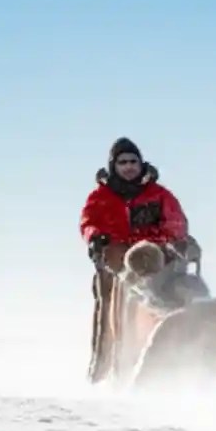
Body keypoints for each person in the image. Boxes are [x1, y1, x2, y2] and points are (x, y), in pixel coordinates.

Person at [80, 137, 190, 383]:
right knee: (107, 305)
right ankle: (102, 367)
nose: (129, 167)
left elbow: (176, 223)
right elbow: (89, 223)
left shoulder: (159, 195)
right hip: (114, 262)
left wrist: (163, 240)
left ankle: (167, 358)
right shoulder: (100, 197)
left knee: (167, 298)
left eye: (133, 161)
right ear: (113, 166)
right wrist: (95, 238)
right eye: (123, 162)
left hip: (152, 261)